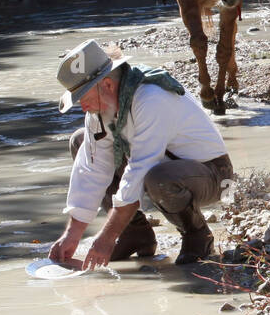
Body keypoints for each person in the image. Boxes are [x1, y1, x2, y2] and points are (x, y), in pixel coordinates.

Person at [48, 40, 235, 269]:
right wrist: (72, 235)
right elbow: (91, 170)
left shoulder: (151, 97)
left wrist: (106, 237)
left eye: (82, 97)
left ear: (106, 84)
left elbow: (141, 169)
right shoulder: (99, 110)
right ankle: (134, 235)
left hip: (216, 176)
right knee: (80, 141)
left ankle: (197, 235)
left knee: (158, 177)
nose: (82, 107)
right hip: (161, 169)